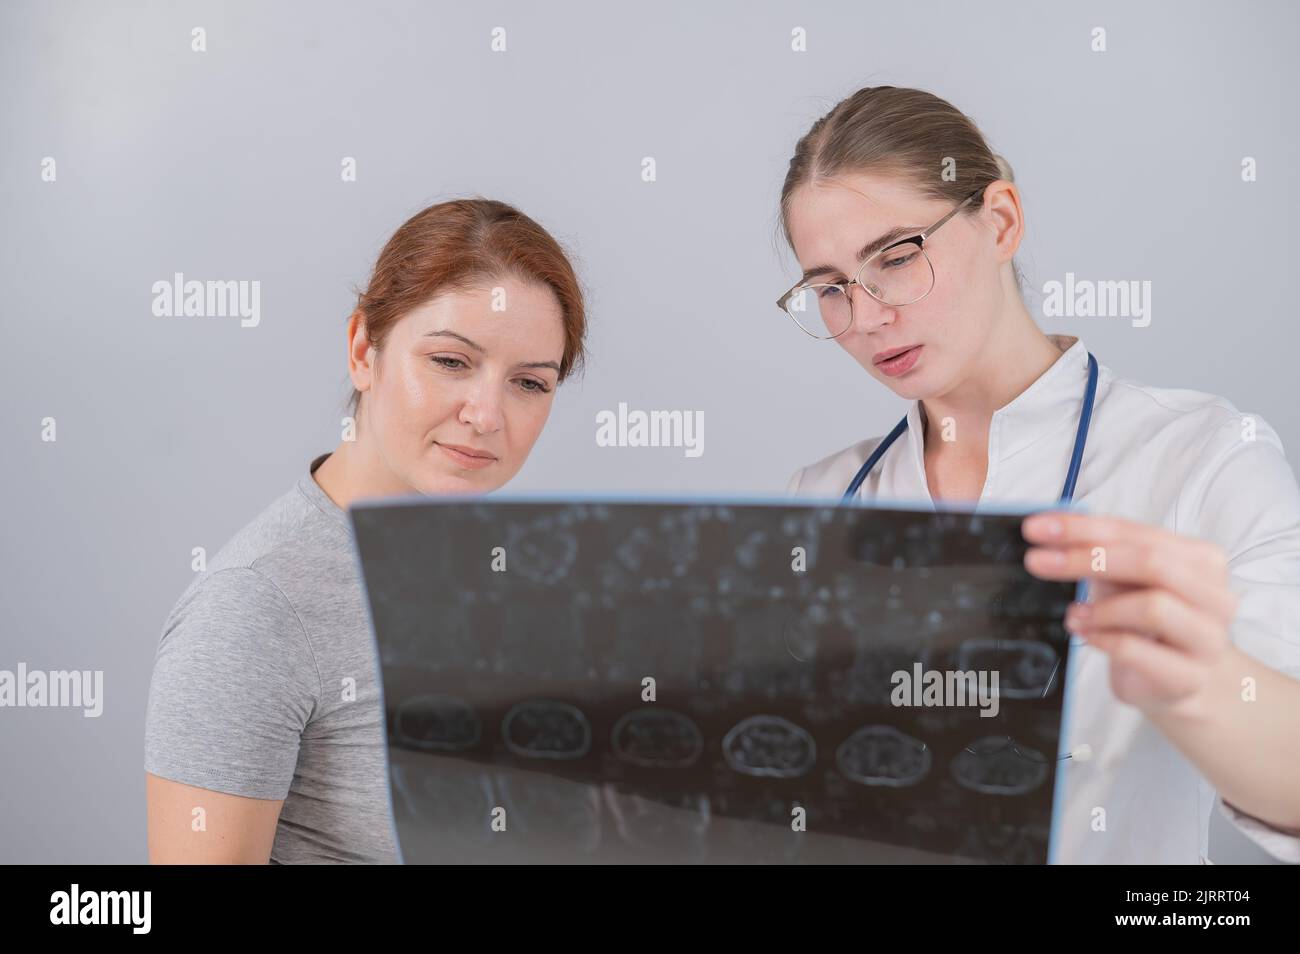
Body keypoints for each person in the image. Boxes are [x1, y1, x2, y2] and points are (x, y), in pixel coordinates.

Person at [777, 85, 1300, 863]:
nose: (868, 314)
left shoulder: (1203, 458)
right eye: (829, 287)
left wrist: (1202, 683)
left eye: (894, 257)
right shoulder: (818, 501)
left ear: (1002, 222)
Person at [144, 198, 587, 863]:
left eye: (528, 382)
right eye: (451, 362)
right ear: (363, 351)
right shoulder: (254, 607)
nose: (487, 414)